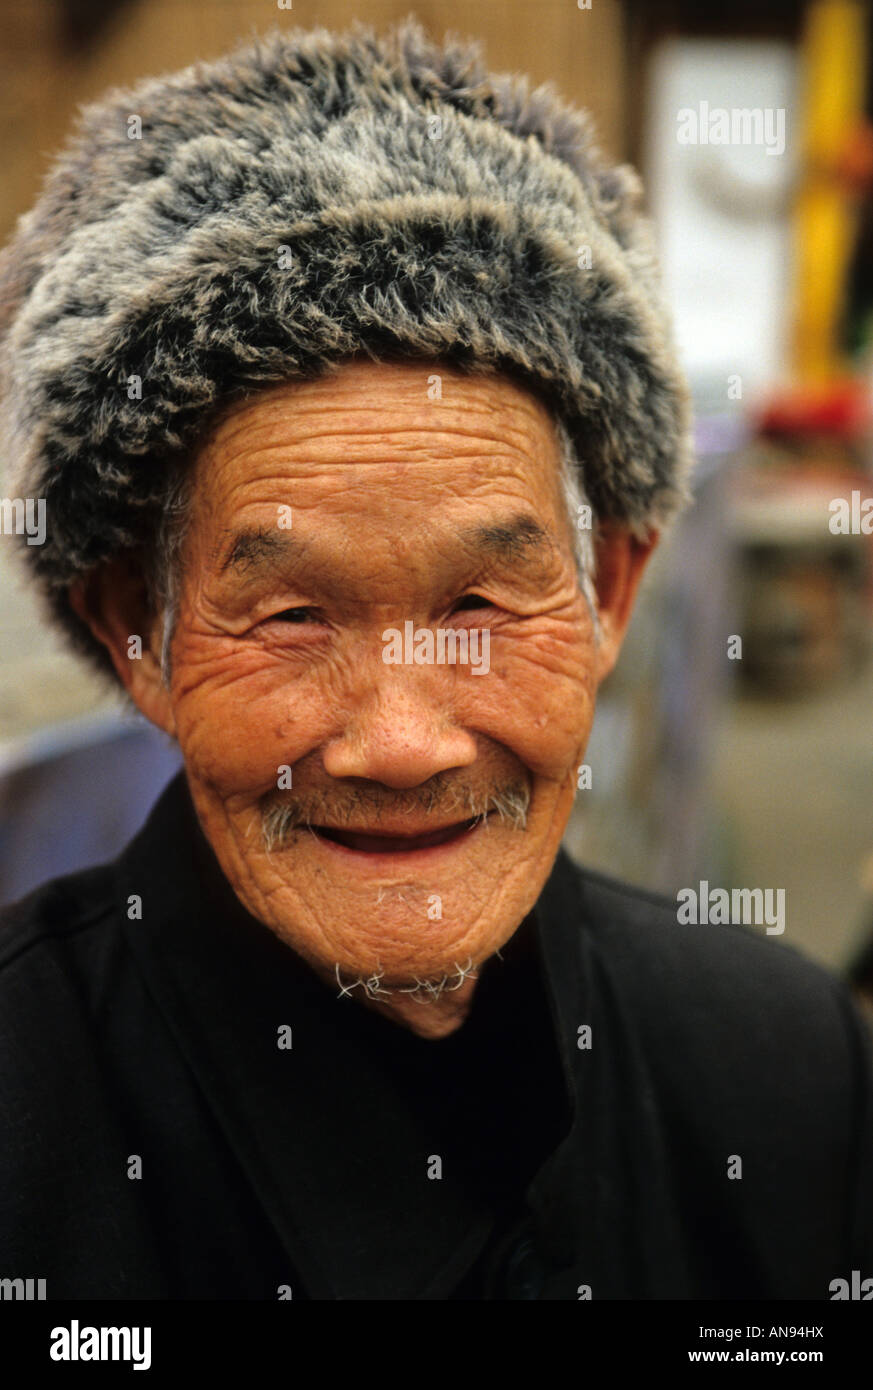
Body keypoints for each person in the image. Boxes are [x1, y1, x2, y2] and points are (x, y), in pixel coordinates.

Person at [0, 19, 870, 1301]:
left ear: (610, 590)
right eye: (293, 617)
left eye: (476, 601)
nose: (403, 742)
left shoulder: (784, 1066)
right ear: (141, 635)